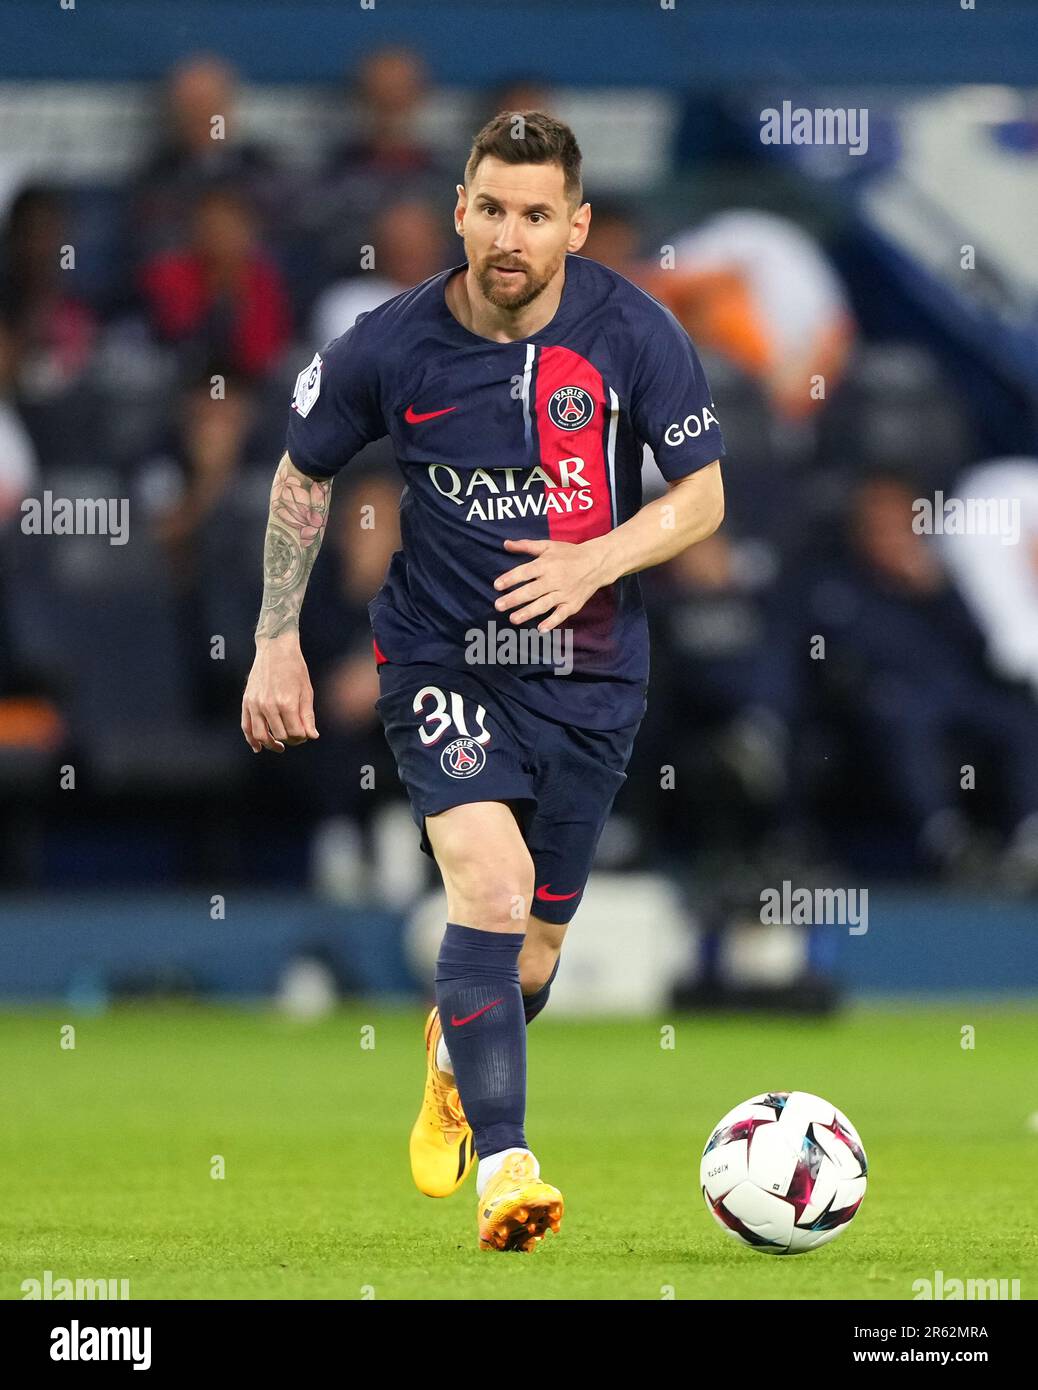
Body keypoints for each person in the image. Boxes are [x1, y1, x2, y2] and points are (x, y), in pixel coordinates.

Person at [240, 111, 725, 1252]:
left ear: (577, 224)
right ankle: (509, 1169)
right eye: (492, 208)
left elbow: (702, 497)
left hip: (593, 675)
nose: (511, 235)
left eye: (537, 214)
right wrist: (274, 640)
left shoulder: (635, 334)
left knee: (537, 951)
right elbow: (303, 474)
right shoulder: (389, 345)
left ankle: (455, 1058)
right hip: (440, 657)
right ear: (460, 208)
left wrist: (597, 557)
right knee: (492, 897)